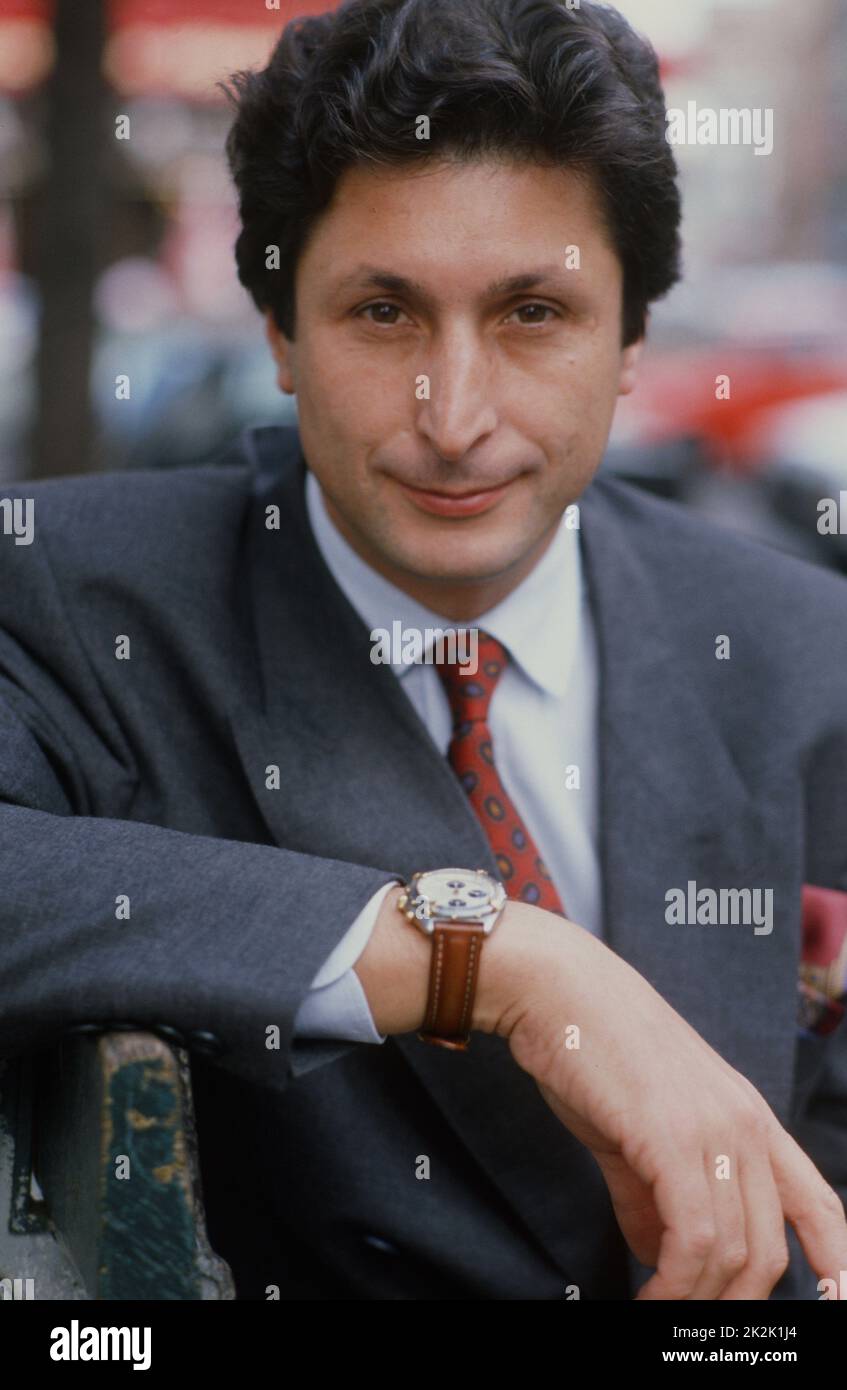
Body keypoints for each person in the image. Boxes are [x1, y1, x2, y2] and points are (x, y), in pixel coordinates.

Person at [1, 0, 846, 1301]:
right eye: (384, 313)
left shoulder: (802, 648)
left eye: (533, 313)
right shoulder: (69, 588)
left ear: (631, 342)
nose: (454, 419)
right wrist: (485, 955)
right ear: (279, 332)